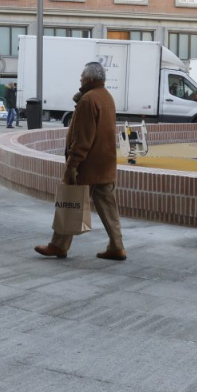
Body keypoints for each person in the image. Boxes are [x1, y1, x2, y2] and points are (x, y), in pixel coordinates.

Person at [35, 62, 125, 261]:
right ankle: (117, 246)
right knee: (108, 207)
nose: (80, 79)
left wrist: (73, 164)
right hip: (106, 163)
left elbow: (83, 137)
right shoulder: (106, 97)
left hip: (87, 165)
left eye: (82, 76)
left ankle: (58, 245)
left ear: (91, 78)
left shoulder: (89, 100)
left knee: (69, 203)